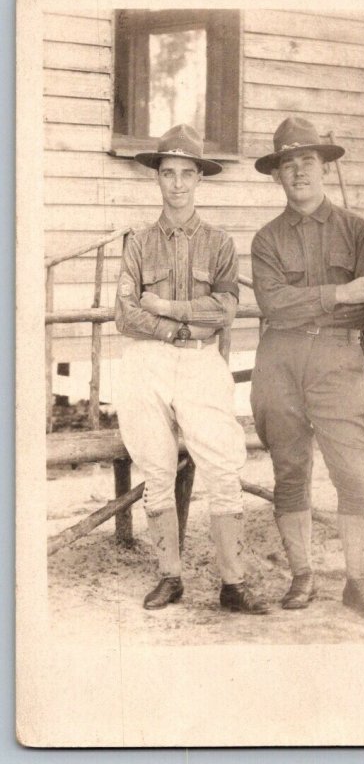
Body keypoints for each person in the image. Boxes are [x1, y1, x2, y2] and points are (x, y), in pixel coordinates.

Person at [115, 124, 267, 614]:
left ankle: (233, 584)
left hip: (202, 362)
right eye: (168, 173)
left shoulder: (219, 243)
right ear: (157, 178)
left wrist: (166, 308)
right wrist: (182, 326)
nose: (177, 183)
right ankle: (170, 576)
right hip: (148, 360)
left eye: (186, 173)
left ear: (200, 178)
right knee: (156, 465)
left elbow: (225, 310)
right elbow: (126, 315)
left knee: (223, 465)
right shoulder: (138, 243)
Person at [250, 117, 364, 620]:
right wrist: (337, 293)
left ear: (324, 167)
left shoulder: (359, 232)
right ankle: (302, 576)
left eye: (307, 161)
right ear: (277, 176)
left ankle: (358, 582)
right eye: (288, 164)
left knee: (352, 473)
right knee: (289, 472)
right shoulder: (266, 240)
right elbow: (272, 304)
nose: (299, 172)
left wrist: (315, 305)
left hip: (338, 362)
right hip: (279, 365)